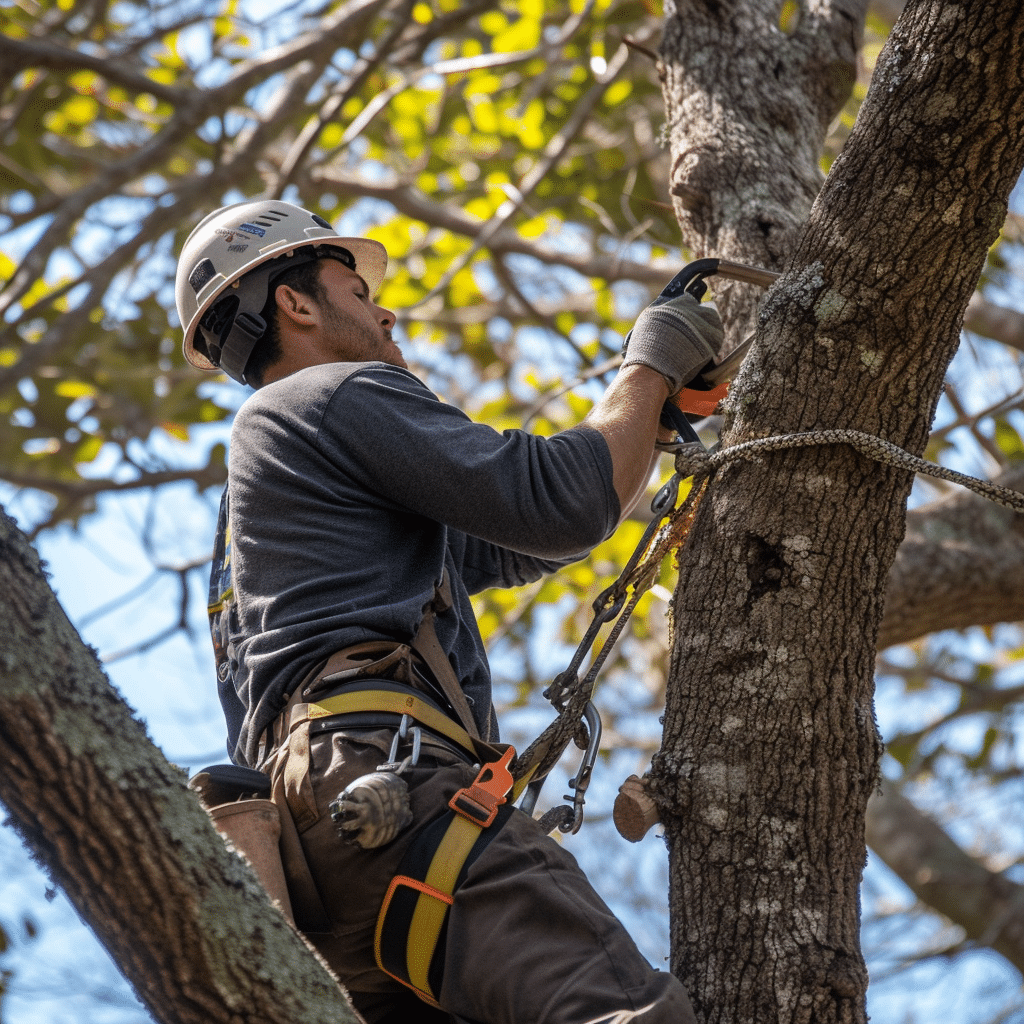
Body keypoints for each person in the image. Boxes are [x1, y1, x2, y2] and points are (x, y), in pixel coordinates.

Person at [176, 199, 723, 1024]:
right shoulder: (330, 395)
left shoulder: (263, 502)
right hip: (390, 788)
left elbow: (518, 544)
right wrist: (650, 363)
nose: (385, 313)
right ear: (295, 304)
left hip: (324, 863)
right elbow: (555, 503)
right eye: (358, 292)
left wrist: (649, 418)